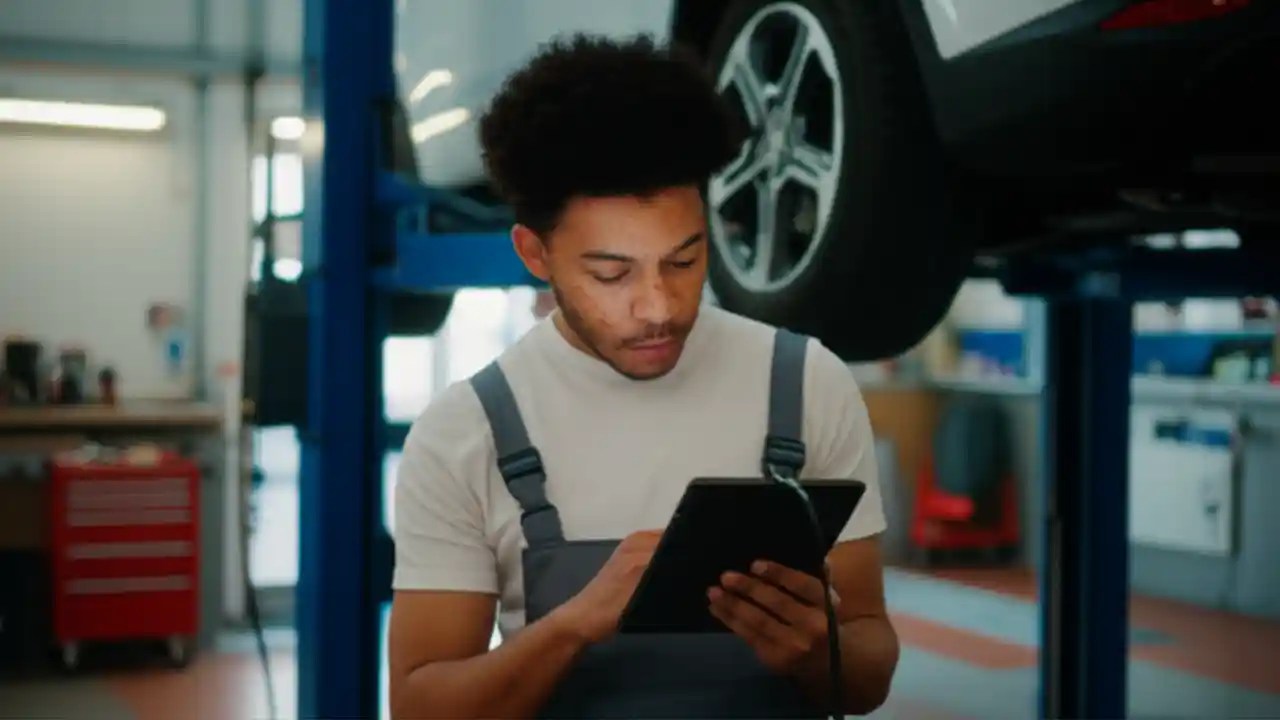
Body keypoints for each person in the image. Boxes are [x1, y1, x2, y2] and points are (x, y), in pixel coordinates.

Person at [387, 34, 899, 719]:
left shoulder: (807, 385)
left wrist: (819, 653)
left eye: (683, 262)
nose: (658, 307)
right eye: (612, 274)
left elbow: (869, 669)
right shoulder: (464, 432)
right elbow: (419, 706)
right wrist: (574, 626)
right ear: (534, 254)